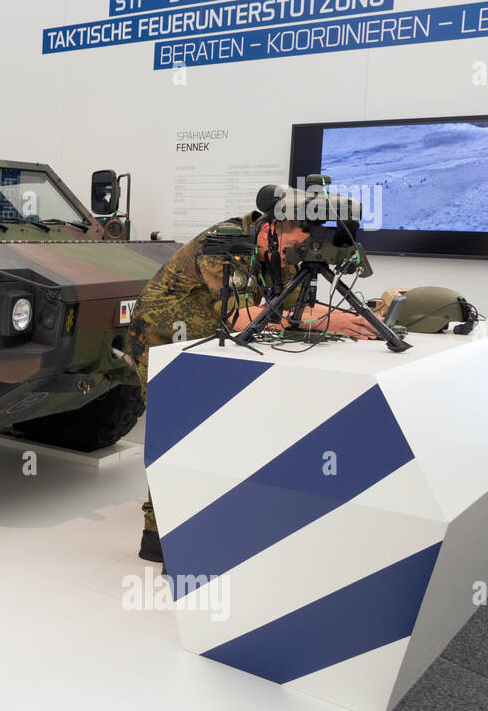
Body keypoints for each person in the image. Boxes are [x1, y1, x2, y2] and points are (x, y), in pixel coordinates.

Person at [127, 193, 376, 563]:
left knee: (214, 431)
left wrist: (357, 317)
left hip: (210, 343)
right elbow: (241, 318)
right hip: (164, 339)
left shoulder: (282, 247)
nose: (296, 252)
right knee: (176, 432)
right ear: (271, 228)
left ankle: (204, 513)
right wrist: (328, 320)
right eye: (294, 243)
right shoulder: (226, 242)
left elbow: (294, 305)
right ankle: (159, 535)